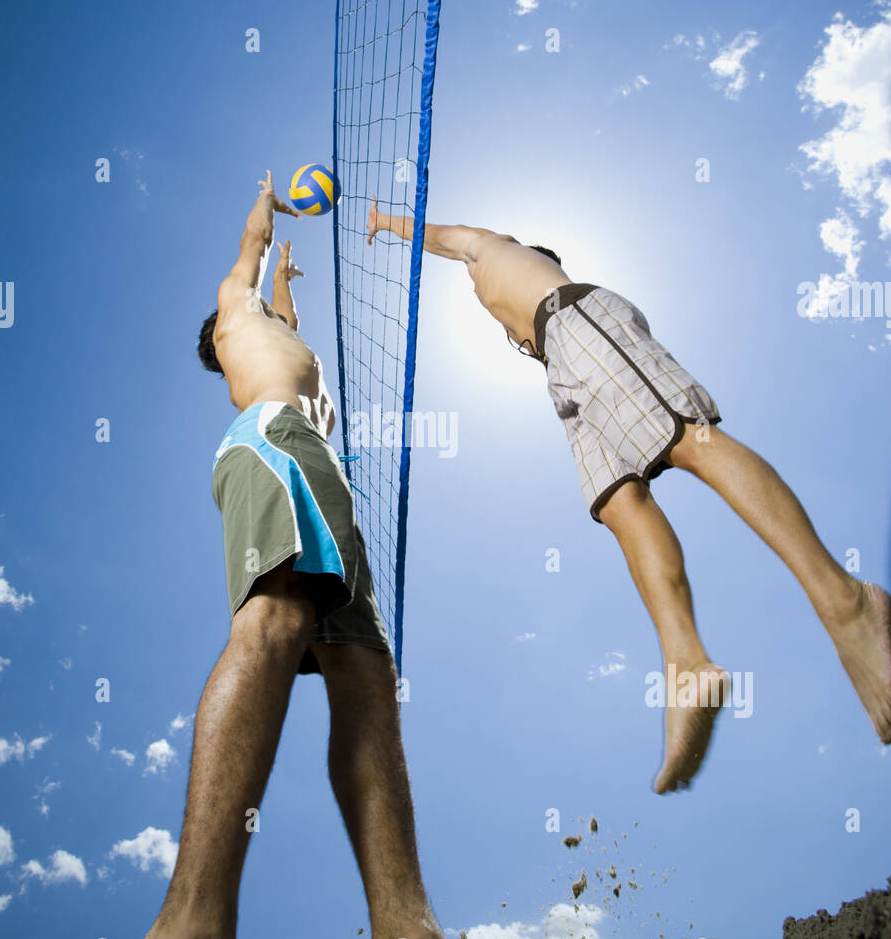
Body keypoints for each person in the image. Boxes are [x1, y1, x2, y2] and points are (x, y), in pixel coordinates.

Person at [120, 173, 578, 939]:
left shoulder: (276, 334)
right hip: (278, 445)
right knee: (276, 618)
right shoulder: (233, 317)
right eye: (258, 303)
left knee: (365, 668)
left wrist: (288, 284)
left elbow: (282, 312)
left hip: (318, 463)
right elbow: (247, 262)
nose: (264, 303)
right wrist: (262, 205)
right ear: (223, 332)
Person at [368, 198, 891, 792]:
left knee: (689, 440)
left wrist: (388, 222)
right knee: (620, 504)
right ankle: (687, 666)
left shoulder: (492, 247)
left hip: (577, 320)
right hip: (561, 366)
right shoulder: (517, 322)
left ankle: (847, 601)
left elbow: (440, 237)